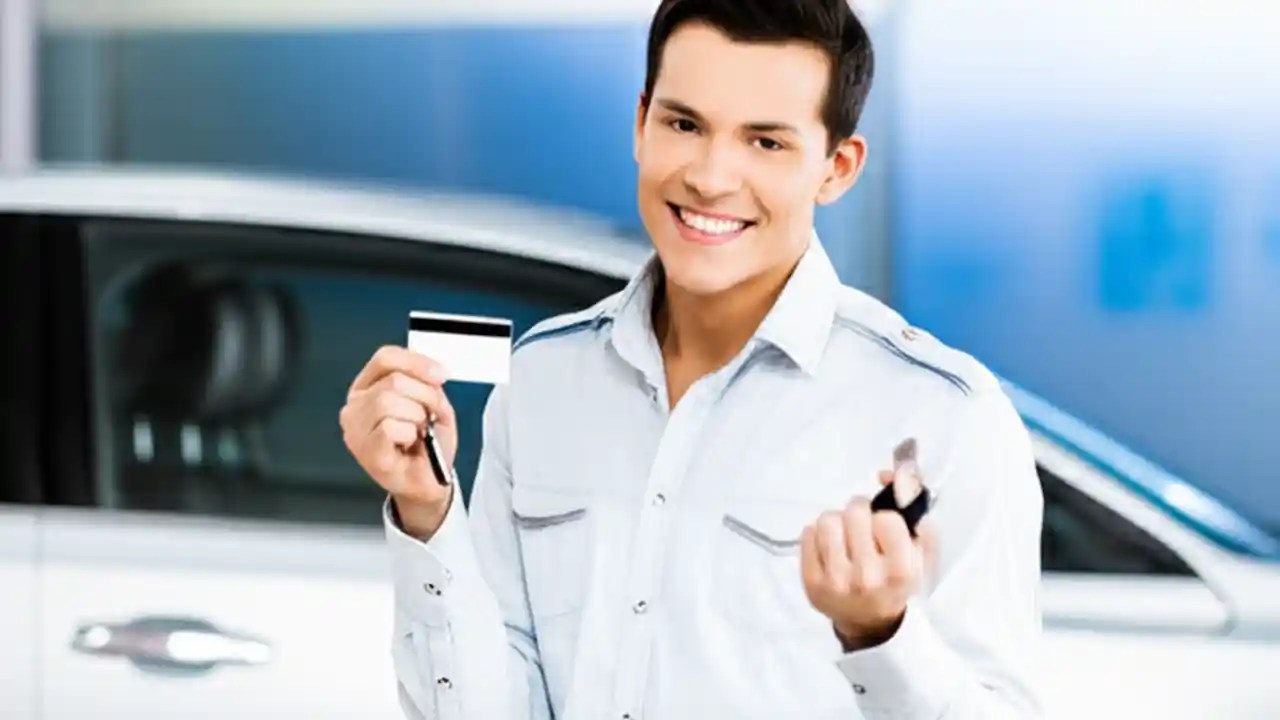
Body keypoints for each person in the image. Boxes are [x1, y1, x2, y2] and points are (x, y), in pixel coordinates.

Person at [338, 1, 1044, 717]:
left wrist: (879, 636)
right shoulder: (545, 381)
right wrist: (427, 512)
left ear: (837, 168)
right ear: (641, 122)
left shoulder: (943, 416)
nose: (710, 177)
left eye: (765, 143)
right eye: (684, 124)